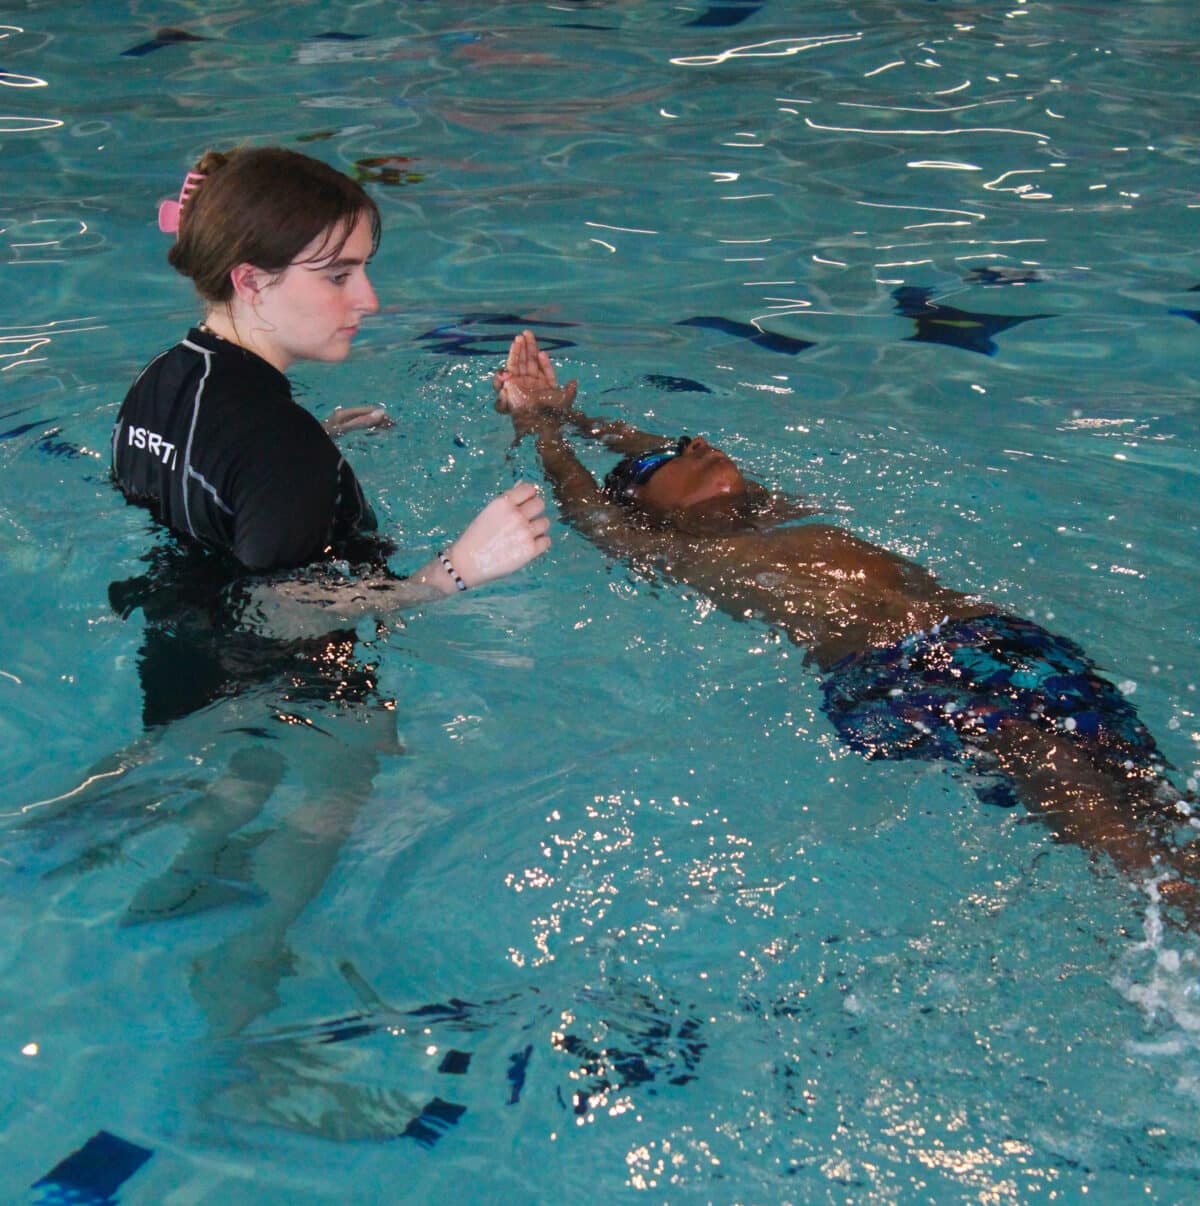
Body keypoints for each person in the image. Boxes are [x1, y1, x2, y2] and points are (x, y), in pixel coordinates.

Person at [494, 330, 1200, 916]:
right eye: (666, 457)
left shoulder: (768, 511)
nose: (694, 444)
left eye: (688, 441)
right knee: (1037, 752)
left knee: (1138, 773)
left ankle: (1184, 877)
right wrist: (547, 433)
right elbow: (591, 510)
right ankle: (1165, 898)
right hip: (899, 674)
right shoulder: (686, 553)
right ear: (646, 507)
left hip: (1000, 643)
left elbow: (675, 455)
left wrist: (585, 418)